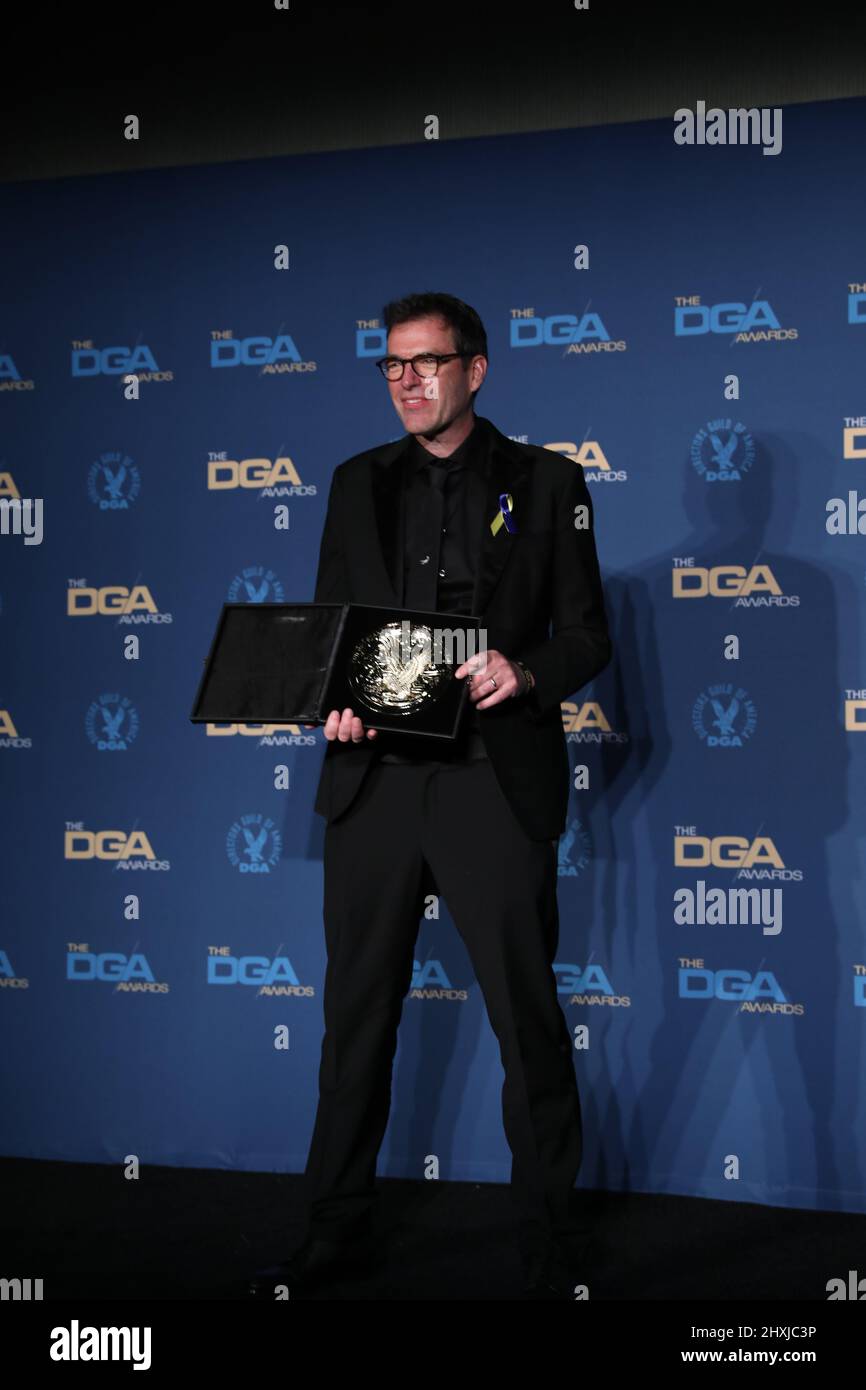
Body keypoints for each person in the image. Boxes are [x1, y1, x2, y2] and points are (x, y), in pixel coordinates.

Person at [249, 291, 611, 1299]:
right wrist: (332, 701)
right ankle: (334, 1231)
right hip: (374, 784)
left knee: (525, 1020)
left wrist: (525, 672)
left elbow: (585, 633)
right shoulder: (352, 482)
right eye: (391, 365)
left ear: (476, 369)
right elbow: (331, 631)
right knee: (354, 1019)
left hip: (491, 780)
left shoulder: (547, 483)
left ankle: (548, 1246)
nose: (406, 380)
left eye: (426, 362)